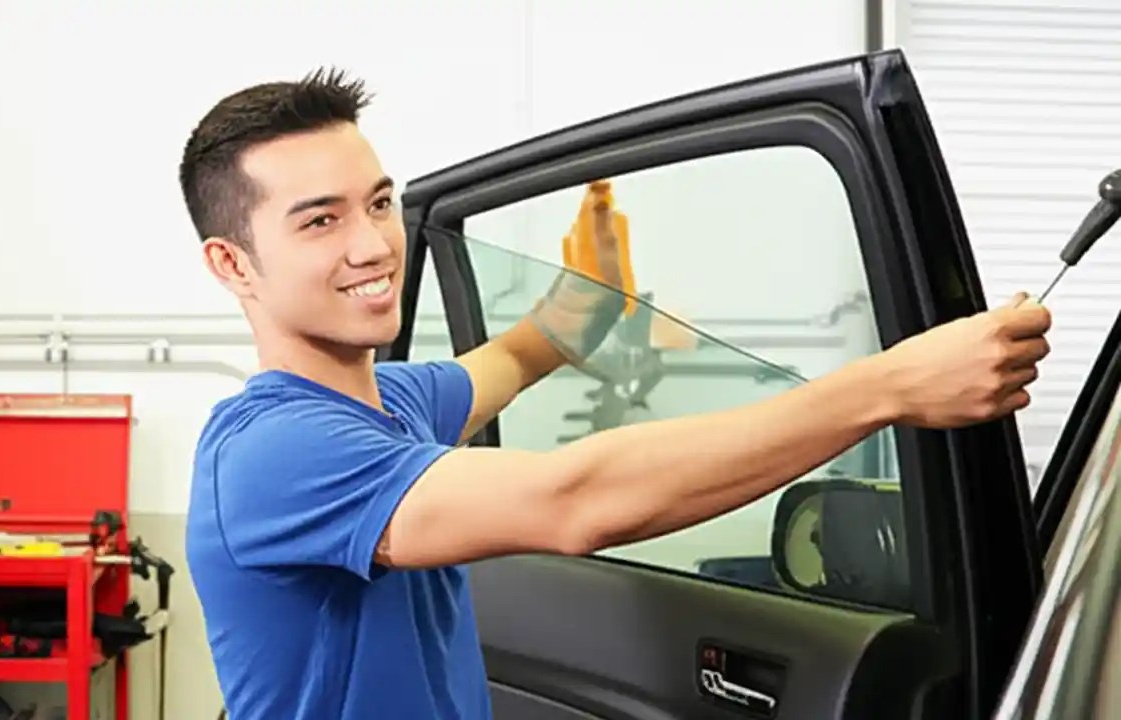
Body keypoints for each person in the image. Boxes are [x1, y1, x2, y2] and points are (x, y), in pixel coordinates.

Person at [180, 68, 1052, 720]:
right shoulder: (274, 453)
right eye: (321, 221)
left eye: (377, 205)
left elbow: (519, 356)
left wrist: (581, 305)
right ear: (232, 264)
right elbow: (576, 501)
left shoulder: (394, 404)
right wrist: (889, 386)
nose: (373, 245)